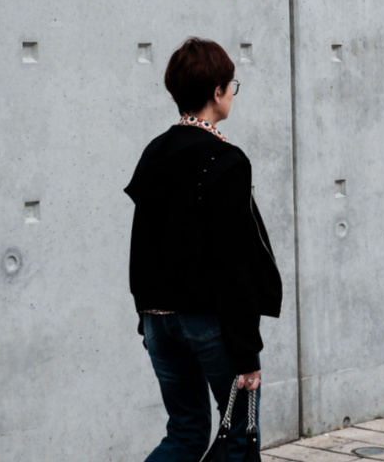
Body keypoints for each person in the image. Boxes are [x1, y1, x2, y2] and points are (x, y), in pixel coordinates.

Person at [125, 38, 284, 460]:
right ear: (216, 92)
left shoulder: (155, 151)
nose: (233, 92)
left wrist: (145, 315)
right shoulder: (224, 159)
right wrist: (248, 353)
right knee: (238, 436)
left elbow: (143, 242)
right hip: (209, 322)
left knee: (185, 431)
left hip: (158, 320)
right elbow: (236, 260)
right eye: (231, 84)